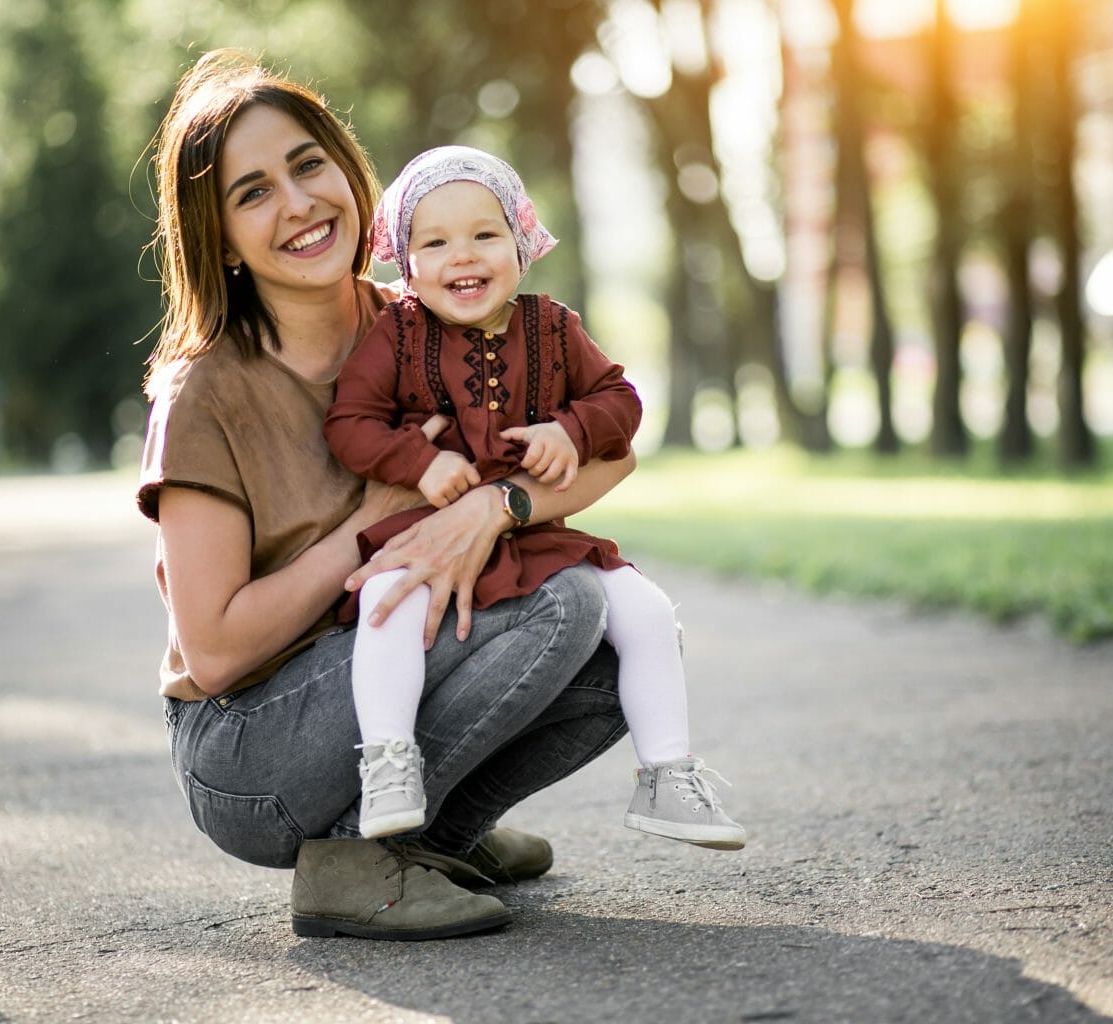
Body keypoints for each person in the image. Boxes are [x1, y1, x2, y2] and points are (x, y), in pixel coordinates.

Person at [137, 50, 636, 942]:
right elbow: (212, 653)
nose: (296, 204)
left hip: (388, 662)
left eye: (307, 165)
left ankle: (430, 837)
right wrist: (369, 530)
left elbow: (613, 459)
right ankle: (349, 862)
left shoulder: (422, 318)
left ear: (348, 170)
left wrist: (497, 507)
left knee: (621, 658)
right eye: (251, 193)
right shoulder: (204, 396)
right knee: (563, 606)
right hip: (252, 741)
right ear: (216, 238)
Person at [323, 146, 747, 851]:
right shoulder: (396, 335)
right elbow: (350, 422)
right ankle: (390, 763)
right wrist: (419, 462)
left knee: (643, 609)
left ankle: (669, 773)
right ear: (407, 263)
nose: (464, 255)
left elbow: (622, 401)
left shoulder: (551, 327)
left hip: (532, 539)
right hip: (429, 533)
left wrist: (571, 429)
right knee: (384, 599)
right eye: (435, 242)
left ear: (521, 243)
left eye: (485, 234)